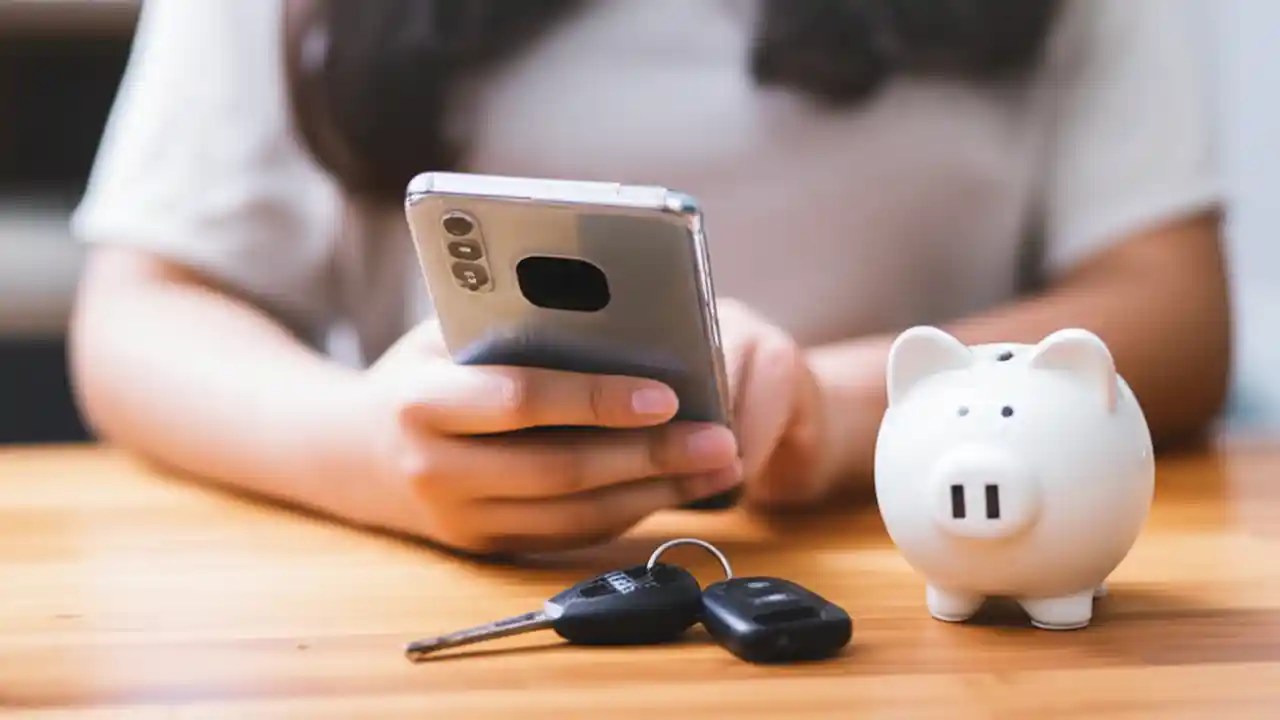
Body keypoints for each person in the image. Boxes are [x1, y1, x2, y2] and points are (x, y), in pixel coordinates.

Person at [70, 0, 1229, 554]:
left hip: (916, 552)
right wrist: (358, 447)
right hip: (415, 578)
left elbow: (1170, 307)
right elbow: (143, 308)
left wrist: (841, 410)